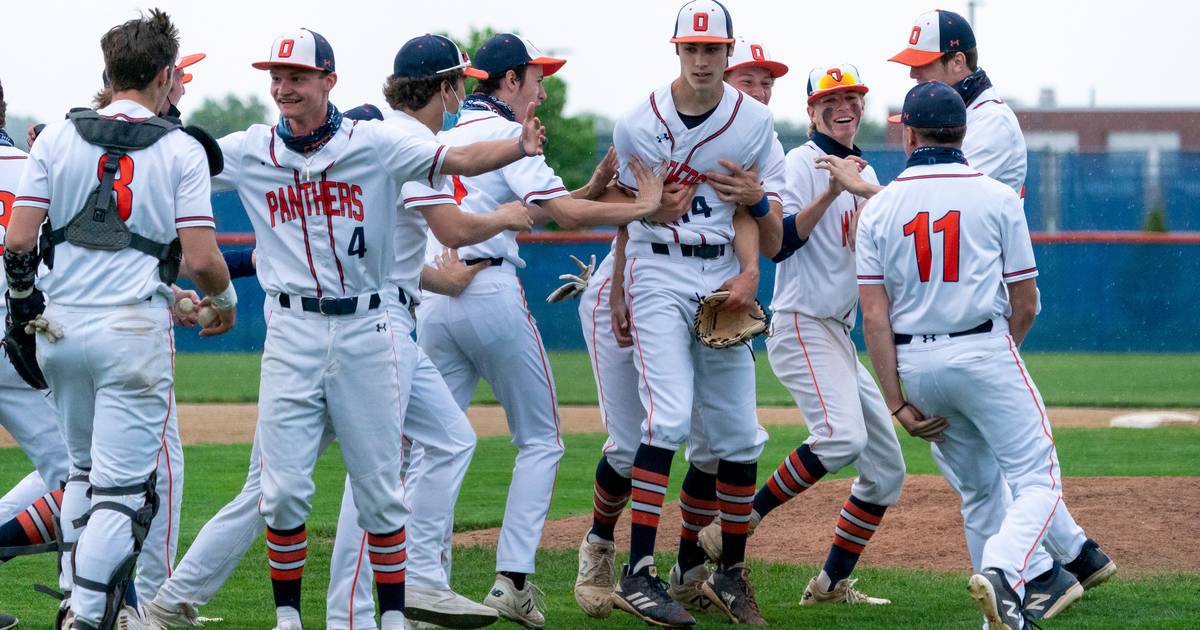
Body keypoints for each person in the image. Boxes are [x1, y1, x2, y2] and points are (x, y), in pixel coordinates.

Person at [203, 26, 544, 630]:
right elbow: (182, 153)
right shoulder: (250, 148)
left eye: (298, 77)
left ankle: (385, 614)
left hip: (370, 325)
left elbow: (458, 158)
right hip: (293, 328)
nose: (283, 86)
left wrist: (519, 147)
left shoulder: (376, 143)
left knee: (381, 487)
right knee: (279, 493)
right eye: (277, 76)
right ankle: (293, 619)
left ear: (328, 80)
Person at [821, 9, 1117, 620]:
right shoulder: (978, 155)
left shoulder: (989, 128)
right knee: (1013, 475)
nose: (916, 77)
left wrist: (897, 397)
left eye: (925, 66)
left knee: (987, 480)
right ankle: (1033, 572)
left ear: (959, 63)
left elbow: (925, 202)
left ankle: (1062, 563)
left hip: (922, 341)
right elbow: (965, 213)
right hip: (977, 333)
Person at [407, 32, 666, 629]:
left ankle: (421, 586)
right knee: (542, 440)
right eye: (536, 78)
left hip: (436, 300)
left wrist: (596, 188)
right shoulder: (507, 136)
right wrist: (643, 206)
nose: (542, 91)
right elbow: (565, 216)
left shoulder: (445, 137)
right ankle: (512, 582)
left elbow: (550, 202)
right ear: (509, 80)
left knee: (435, 446)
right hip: (491, 292)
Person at [4, 10, 235, 630]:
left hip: (59, 329)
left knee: (80, 476)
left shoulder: (54, 137)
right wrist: (226, 299)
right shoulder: (181, 148)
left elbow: (19, 238)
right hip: (131, 333)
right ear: (166, 75)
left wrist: (25, 304)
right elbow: (202, 258)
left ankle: (76, 603)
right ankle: (86, 614)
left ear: (108, 73)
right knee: (125, 496)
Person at [571, 34, 785, 621]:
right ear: (676, 50)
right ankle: (637, 572)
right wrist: (617, 282)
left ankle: (727, 573)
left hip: (718, 274)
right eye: (691, 47)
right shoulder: (637, 122)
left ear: (726, 52)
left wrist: (747, 274)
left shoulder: (754, 124)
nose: (700, 58)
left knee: (740, 435)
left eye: (711, 48)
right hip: (655, 267)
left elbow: (758, 217)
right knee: (661, 418)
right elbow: (618, 208)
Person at [856, 80, 1071, 630]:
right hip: (981, 345)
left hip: (913, 365)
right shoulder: (996, 196)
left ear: (908, 134)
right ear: (963, 131)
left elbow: (874, 317)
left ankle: (1002, 621)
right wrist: (994, 359)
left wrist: (897, 402)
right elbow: (1026, 302)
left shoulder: (879, 210)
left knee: (978, 492)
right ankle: (1003, 573)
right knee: (1040, 481)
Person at [697, 63, 905, 608]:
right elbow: (780, 244)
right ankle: (738, 523)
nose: (844, 107)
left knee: (886, 472)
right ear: (810, 111)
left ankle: (831, 585)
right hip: (800, 322)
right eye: (830, 100)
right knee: (841, 439)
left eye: (853, 98)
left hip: (836, 332)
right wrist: (834, 194)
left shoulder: (862, 170)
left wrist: (861, 198)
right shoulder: (798, 162)